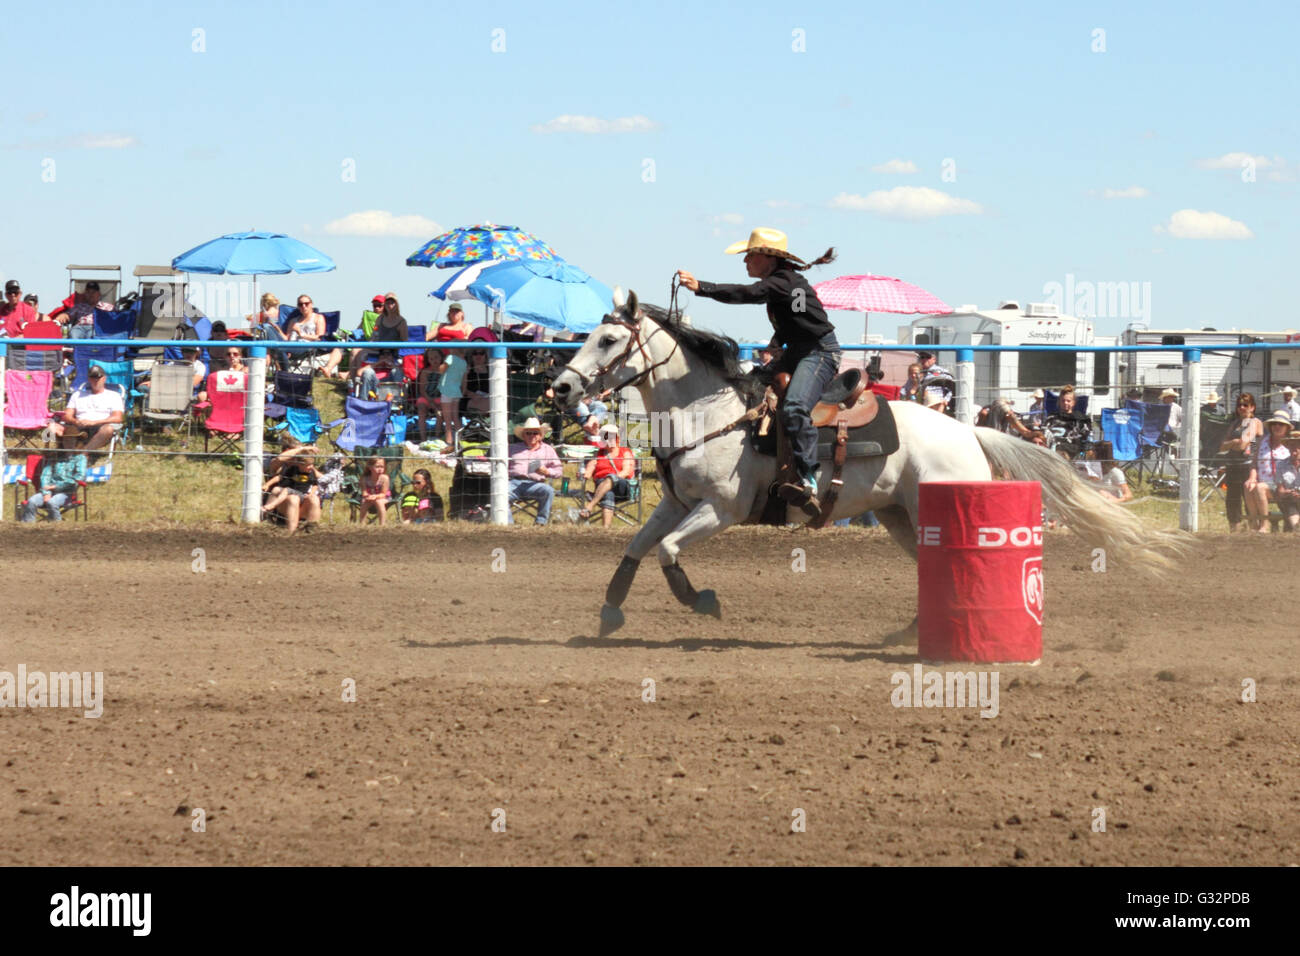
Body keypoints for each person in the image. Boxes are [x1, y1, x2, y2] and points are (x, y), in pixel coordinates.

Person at [677, 227, 839, 503]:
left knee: (795, 406)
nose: (745, 261)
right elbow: (799, 316)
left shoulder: (782, 283)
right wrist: (780, 338)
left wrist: (701, 287)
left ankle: (808, 474)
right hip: (801, 351)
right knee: (745, 387)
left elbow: (747, 293)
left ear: (769, 257)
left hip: (819, 354)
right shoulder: (790, 283)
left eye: (750, 255)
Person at [19, 425, 88, 522]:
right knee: (31, 501)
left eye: (72, 440)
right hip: (48, 491)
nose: (69, 443)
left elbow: (78, 478)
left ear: (76, 442)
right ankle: (27, 528)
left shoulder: (81, 459)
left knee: (52, 503)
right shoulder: (55, 456)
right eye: (66, 440)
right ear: (62, 442)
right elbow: (45, 475)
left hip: (67, 493)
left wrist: (55, 487)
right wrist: (47, 492)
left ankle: (57, 527)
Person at [1245, 411, 1298, 532]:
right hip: (1263, 482)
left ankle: (1265, 524)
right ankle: (1254, 523)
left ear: (1287, 428)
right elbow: (1254, 463)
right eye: (1274, 424)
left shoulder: (1291, 444)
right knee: (1247, 486)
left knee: (1259, 488)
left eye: (1281, 424)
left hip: (1283, 485)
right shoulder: (1262, 442)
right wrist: (1252, 477)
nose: (1277, 426)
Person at [1219, 392, 1263, 533]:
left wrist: (1233, 443)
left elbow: (1243, 445)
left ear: (1252, 407)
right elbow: (1222, 446)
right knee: (1232, 500)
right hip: (1232, 465)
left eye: (1246, 405)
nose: (1242, 408)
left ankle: (1253, 529)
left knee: (1250, 499)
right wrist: (1234, 441)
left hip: (1249, 466)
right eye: (1239, 405)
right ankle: (1235, 530)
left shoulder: (1255, 422)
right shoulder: (1235, 424)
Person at [507, 417, 562, 525]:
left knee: (548, 490)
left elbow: (559, 470)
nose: (532, 436)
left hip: (535, 485)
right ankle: (509, 525)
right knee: (500, 493)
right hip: (513, 483)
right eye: (528, 433)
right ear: (523, 435)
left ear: (540, 435)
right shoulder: (512, 448)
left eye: (535, 433)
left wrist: (547, 472)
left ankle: (540, 523)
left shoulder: (548, 449)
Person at [580, 423, 636, 526]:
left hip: (622, 486)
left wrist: (611, 479)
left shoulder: (625, 452)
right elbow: (591, 466)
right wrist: (585, 474)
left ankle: (590, 506)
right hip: (601, 487)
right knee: (608, 494)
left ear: (617, 438)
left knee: (611, 478)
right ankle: (605, 530)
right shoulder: (598, 453)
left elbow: (626, 471)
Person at [264, 436, 322, 533]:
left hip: (301, 504)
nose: (298, 455)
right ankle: (291, 534)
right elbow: (280, 458)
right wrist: (302, 449)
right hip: (281, 508)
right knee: (293, 498)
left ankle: (313, 532)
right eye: (296, 453)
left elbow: (320, 479)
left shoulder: (305, 467)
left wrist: (309, 466)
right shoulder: (278, 465)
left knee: (314, 499)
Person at [63, 364, 124, 451]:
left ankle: (83, 454)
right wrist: (75, 421)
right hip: (79, 427)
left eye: (98, 378)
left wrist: (94, 422)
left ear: (104, 378)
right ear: (88, 379)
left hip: (101, 427)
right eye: (92, 377)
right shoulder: (77, 395)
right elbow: (66, 415)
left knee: (108, 429)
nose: (95, 380)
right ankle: (69, 457)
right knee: (63, 428)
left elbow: (118, 418)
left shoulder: (114, 396)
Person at [1046, 385, 1091, 459]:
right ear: (1059, 402)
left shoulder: (1082, 419)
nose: (1065, 403)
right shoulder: (1051, 417)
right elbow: (1045, 434)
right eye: (1063, 401)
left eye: (1068, 401)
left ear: (1074, 402)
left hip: (1073, 451)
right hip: (1052, 449)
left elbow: (1085, 439)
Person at [356, 456, 391, 525]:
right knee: (365, 503)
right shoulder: (365, 478)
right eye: (377, 467)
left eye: (382, 467)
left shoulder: (385, 478)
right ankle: (362, 524)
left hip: (383, 497)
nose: (380, 469)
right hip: (369, 497)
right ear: (370, 467)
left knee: (379, 502)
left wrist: (375, 496)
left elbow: (383, 493)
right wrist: (369, 496)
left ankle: (382, 524)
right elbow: (364, 492)